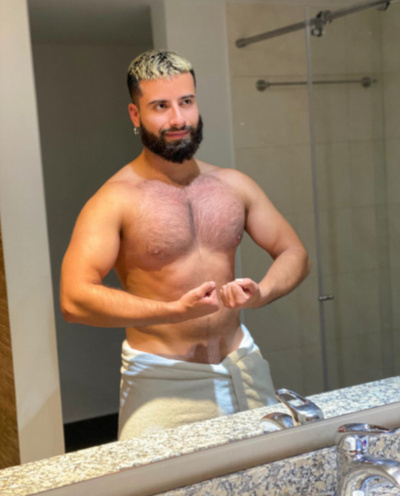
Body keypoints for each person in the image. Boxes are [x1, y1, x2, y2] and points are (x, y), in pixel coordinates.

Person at [60, 49, 311, 440]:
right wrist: (172, 311)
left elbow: (294, 252)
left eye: (186, 102)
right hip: (164, 382)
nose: (178, 119)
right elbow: (74, 299)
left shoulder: (233, 185)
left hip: (243, 366)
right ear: (135, 115)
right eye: (160, 106)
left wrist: (262, 293)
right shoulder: (114, 200)